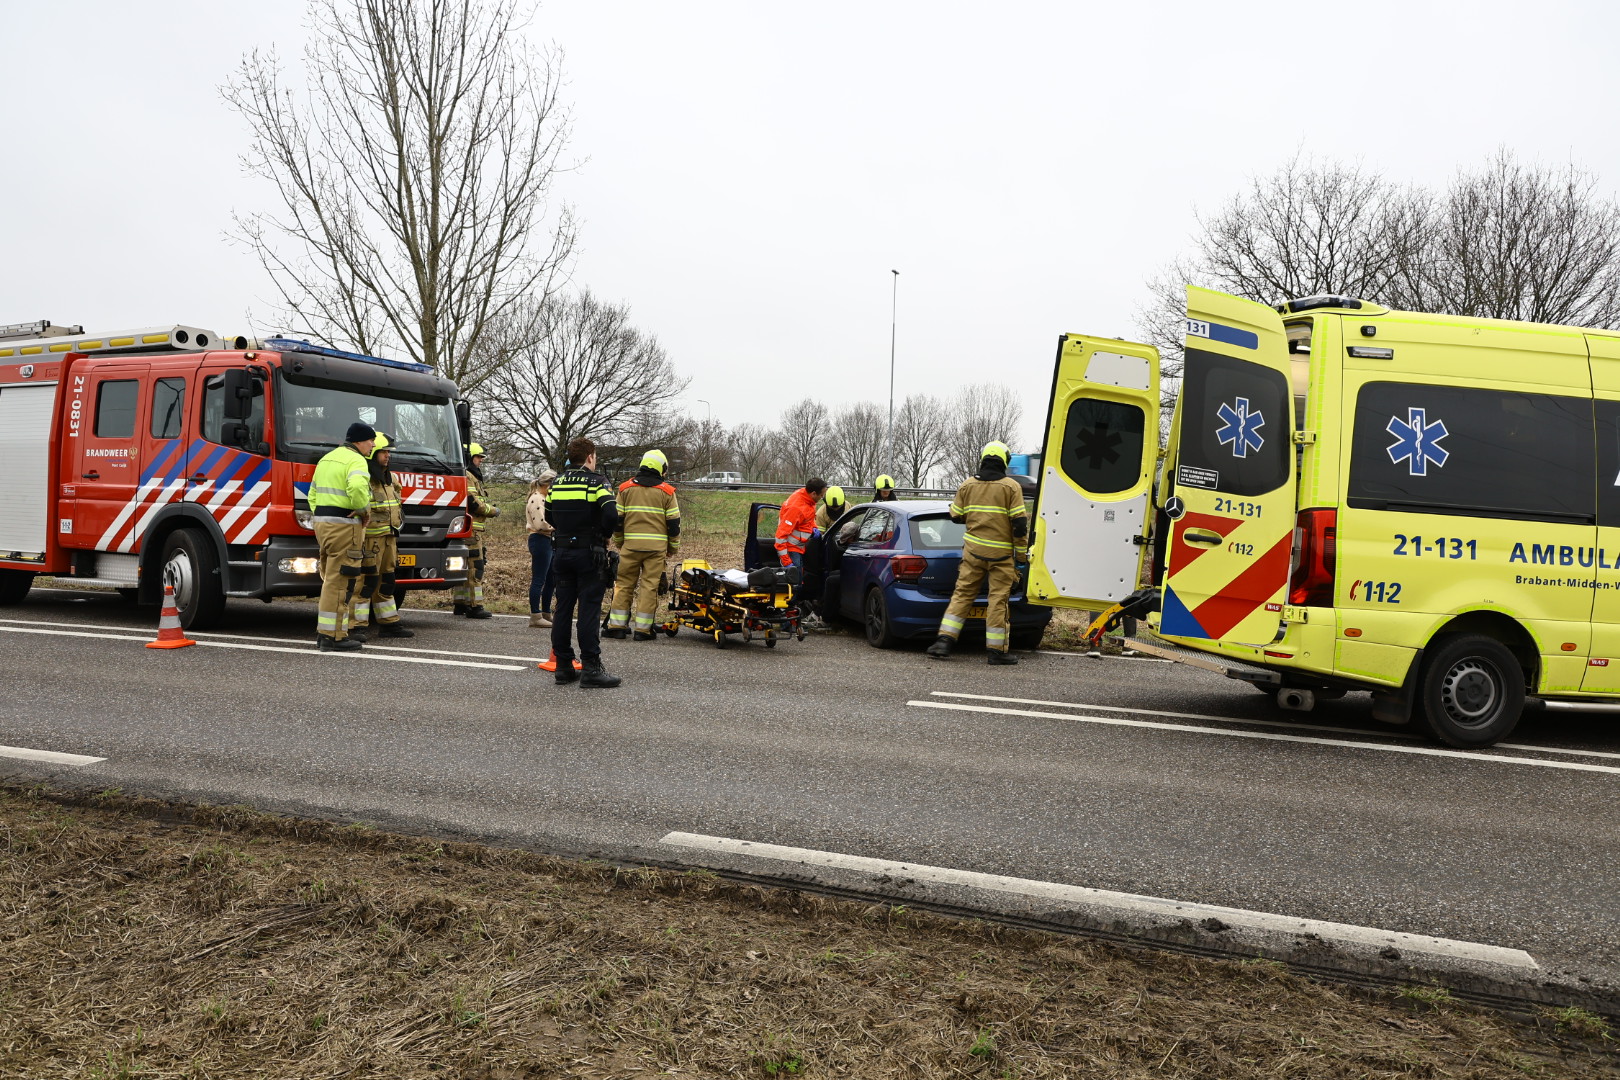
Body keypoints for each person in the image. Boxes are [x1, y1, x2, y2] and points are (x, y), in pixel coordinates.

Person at [926, 441, 1027, 666]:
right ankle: (996, 652)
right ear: (1005, 461)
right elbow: (1020, 526)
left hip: (973, 553)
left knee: (962, 594)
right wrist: (1021, 558)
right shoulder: (1011, 487)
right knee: (997, 600)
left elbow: (955, 515)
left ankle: (944, 641)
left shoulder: (967, 485)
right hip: (1001, 556)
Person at [545, 437, 622, 688]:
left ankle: (564, 666)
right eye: (595, 456)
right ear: (590, 457)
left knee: (563, 608)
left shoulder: (557, 482)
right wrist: (602, 534)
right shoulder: (597, 482)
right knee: (588, 609)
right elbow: (611, 513)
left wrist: (566, 531)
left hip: (561, 551)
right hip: (589, 553)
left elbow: (548, 514)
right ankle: (591, 668)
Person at [309, 422, 376, 651]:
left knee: (330, 578)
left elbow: (313, 494)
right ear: (358, 441)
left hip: (323, 523)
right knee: (342, 580)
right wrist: (363, 509)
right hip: (345, 525)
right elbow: (358, 490)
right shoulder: (356, 460)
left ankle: (327, 633)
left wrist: (322, 516)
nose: (373, 445)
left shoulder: (326, 459)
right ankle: (333, 636)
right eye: (370, 440)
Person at [606, 449, 680, 641]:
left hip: (630, 546)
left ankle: (616, 627)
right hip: (656, 550)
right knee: (649, 587)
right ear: (660, 468)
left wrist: (620, 542)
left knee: (623, 585)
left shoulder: (624, 489)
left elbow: (618, 520)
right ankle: (643, 630)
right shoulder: (667, 492)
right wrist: (672, 548)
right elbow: (673, 524)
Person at [351, 433, 415, 639]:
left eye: (388, 452)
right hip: (369, 539)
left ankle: (388, 623)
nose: (387, 456)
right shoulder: (363, 476)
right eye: (383, 452)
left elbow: (397, 501)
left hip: (389, 537)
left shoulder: (391, 478)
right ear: (373, 453)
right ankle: (355, 626)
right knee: (364, 582)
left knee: (387, 581)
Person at [453, 442, 500, 618]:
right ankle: (474, 606)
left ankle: (460, 604)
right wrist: (493, 511)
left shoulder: (469, 476)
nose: (480, 461)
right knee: (475, 567)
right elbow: (473, 504)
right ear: (470, 458)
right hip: (471, 531)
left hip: (470, 529)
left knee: (464, 567)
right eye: (478, 457)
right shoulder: (467, 476)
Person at [526, 468, 558, 628]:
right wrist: (558, 526)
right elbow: (540, 524)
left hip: (548, 540)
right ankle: (535, 615)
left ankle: (546, 612)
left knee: (551, 579)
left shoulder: (544, 498)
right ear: (547, 485)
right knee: (539, 579)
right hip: (540, 539)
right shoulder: (537, 499)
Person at [774, 477, 825, 569]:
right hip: (791, 549)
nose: (822, 497)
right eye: (821, 495)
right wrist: (786, 562)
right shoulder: (796, 508)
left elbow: (807, 518)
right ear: (813, 493)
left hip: (799, 547)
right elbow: (780, 537)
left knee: (798, 578)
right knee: (795, 581)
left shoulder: (807, 499)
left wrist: (813, 528)